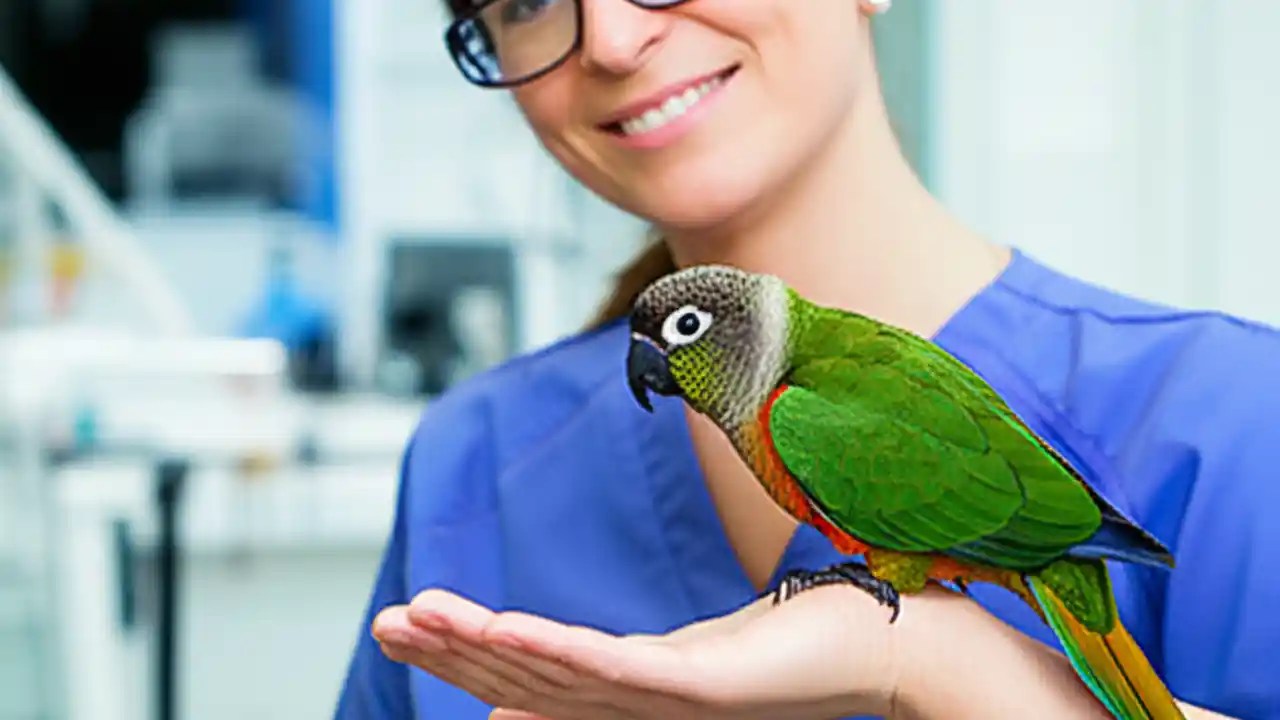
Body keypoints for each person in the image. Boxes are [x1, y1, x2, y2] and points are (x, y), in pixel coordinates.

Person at [334, 0, 1280, 717]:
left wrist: (942, 667)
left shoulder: (1237, 421)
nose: (614, 41)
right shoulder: (470, 459)